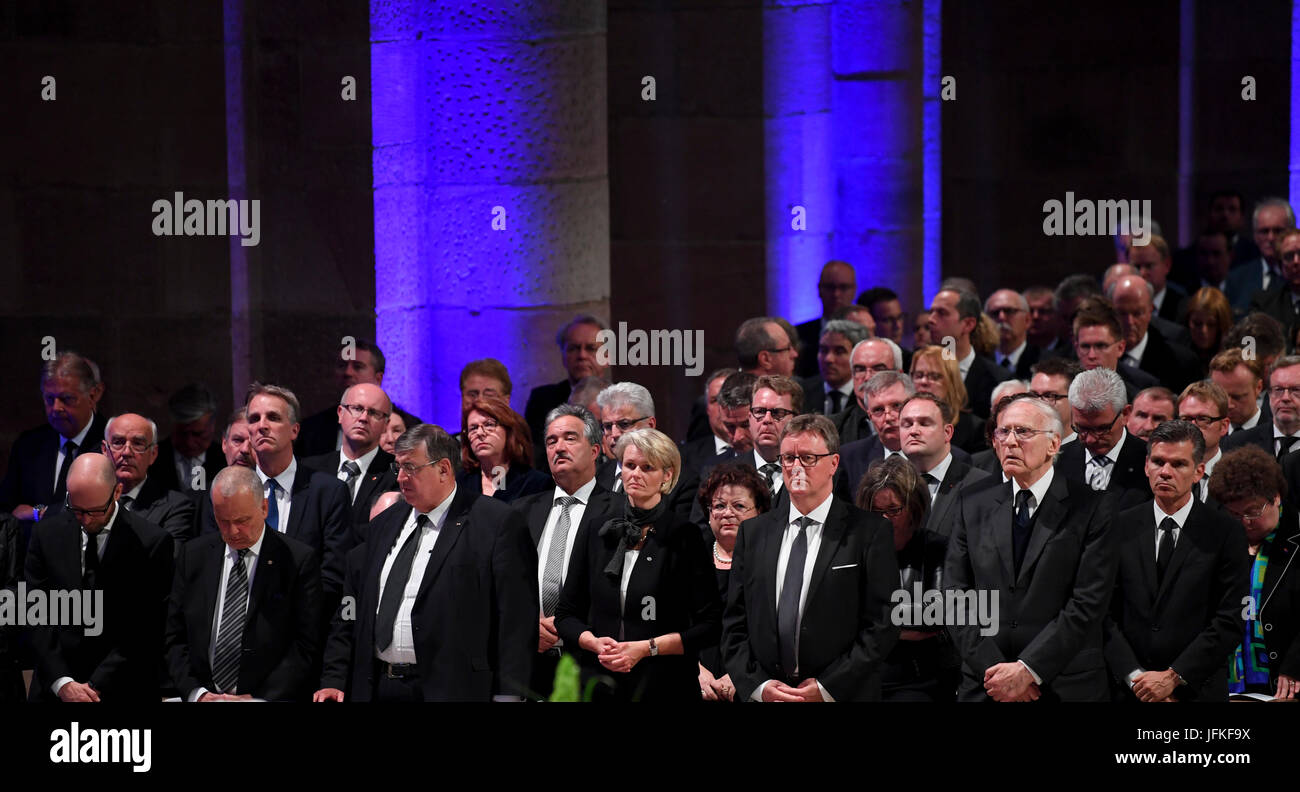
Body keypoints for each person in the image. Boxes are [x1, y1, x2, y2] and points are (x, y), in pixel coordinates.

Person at [316, 424, 537, 701]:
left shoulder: (495, 522)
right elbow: (350, 609)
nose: (401, 479)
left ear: (444, 468)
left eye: (411, 468)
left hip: (454, 689)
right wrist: (334, 678)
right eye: (398, 468)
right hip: (378, 686)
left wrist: (510, 695)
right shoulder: (382, 524)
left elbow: (515, 622)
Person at [945, 397, 1119, 701]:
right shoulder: (971, 502)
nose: (1010, 442)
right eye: (1003, 432)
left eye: (1023, 432)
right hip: (987, 683)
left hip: (1062, 683)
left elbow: (1088, 602)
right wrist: (997, 671)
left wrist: (1028, 670)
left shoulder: (1092, 507)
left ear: (1053, 445)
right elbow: (954, 595)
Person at [722, 414, 899, 701]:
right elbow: (735, 623)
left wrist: (827, 687)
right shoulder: (753, 533)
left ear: (834, 463)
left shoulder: (869, 531)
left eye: (808, 458)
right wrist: (758, 686)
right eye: (788, 458)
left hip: (842, 694)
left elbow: (882, 624)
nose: (796, 467)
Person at [555, 428, 722, 701]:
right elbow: (566, 615)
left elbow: (709, 625)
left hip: (665, 683)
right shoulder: (598, 530)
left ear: (667, 476)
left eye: (647, 467)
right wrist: (594, 643)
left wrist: (647, 648)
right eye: (630, 465)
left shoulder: (684, 536)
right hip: (601, 680)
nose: (636, 474)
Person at [1103, 421, 1248, 702]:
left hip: (1196, 690)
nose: (1165, 472)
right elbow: (1103, 613)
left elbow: (1231, 619)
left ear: (1198, 471)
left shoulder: (1226, 532)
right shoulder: (1119, 526)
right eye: (1158, 462)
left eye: (1178, 464)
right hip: (1128, 690)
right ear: (1146, 466)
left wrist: (1173, 677)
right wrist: (1136, 679)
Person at [166, 465, 322, 701]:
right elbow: (175, 638)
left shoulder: (297, 560)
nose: (233, 531)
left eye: (242, 520)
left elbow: (304, 646)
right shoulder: (194, 555)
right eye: (223, 521)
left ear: (264, 508)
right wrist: (196, 693)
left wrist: (257, 697)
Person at [25, 453, 173, 701]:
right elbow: (34, 611)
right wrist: (63, 682)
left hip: (124, 687)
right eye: (77, 510)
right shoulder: (46, 534)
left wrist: (94, 686)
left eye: (94, 511)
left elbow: (145, 627)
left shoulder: (151, 543)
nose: (84, 520)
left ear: (117, 493)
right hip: (55, 687)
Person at [200, 383, 353, 623]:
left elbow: (332, 577)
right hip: (236, 627)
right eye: (254, 418)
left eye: (273, 417)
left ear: (294, 430)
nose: (262, 425)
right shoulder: (226, 491)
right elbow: (212, 568)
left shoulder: (328, 492)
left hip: (303, 633)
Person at [511, 405, 616, 699]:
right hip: (530, 661)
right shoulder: (520, 511)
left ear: (595, 450)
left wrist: (572, 630)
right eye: (551, 441)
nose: (559, 447)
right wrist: (528, 624)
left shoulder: (619, 512)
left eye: (570, 438)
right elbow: (504, 586)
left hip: (591, 663)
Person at [858, 456, 959, 701]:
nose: (884, 520)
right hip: (862, 674)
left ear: (914, 508)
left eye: (893, 510)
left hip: (920, 678)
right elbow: (838, 613)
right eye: (876, 511)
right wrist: (897, 631)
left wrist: (872, 621)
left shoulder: (937, 547)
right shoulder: (856, 550)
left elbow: (937, 613)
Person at [1208, 446, 1300, 699]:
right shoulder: (1217, 538)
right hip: (1225, 678)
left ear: (1277, 497)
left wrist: (1294, 665)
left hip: (1285, 678)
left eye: (1253, 511)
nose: (1245, 522)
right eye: (1235, 514)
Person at [1, 351, 107, 528]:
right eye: (49, 399)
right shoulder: (29, 444)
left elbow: (98, 510)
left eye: (67, 399)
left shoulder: (112, 444)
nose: (56, 408)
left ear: (93, 395)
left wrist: (38, 513)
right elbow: (9, 506)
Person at [695, 463, 771, 701]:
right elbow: (671, 622)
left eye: (738, 506)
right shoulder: (689, 557)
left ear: (759, 513)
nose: (727, 513)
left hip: (754, 684)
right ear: (708, 514)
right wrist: (695, 670)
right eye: (718, 506)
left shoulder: (773, 560)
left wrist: (740, 676)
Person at [302, 383, 399, 536]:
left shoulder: (396, 473)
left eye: (374, 413)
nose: (363, 418)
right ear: (340, 413)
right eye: (357, 408)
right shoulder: (309, 470)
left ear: (386, 424)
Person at [1056, 367, 1153, 507]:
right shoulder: (1056, 460)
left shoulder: (1151, 462)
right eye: (1082, 428)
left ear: (1125, 414)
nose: (1090, 439)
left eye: (1102, 429)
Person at [899, 393, 990, 536]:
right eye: (907, 424)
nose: (913, 431)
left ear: (947, 432)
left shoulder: (981, 485)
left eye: (924, 423)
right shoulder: (889, 485)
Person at [102, 413, 197, 552]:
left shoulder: (176, 507)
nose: (127, 452)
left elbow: (168, 562)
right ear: (104, 450)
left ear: (153, 454)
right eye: (118, 442)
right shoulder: (88, 498)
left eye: (137, 444)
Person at [524, 315, 610, 451]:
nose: (582, 355)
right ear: (563, 355)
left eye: (591, 348)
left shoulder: (624, 401)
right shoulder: (541, 401)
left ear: (607, 356)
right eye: (573, 348)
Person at [926, 287, 1011, 419]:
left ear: (968, 324)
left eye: (942, 313)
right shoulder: (917, 368)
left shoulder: (998, 379)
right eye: (931, 312)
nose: (930, 319)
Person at [1107, 275, 1200, 393]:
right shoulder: (1096, 357)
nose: (1129, 322)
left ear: (1150, 311)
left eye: (1137, 313)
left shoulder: (1181, 363)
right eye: (1122, 313)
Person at [296, 339, 386, 457]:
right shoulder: (310, 430)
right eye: (342, 366)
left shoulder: (403, 425)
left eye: (358, 367)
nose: (347, 372)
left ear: (378, 378)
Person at [457, 397, 551, 504]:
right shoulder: (459, 483)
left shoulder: (536, 483)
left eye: (489, 424)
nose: (479, 433)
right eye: (473, 428)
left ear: (509, 431)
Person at [149, 383, 225, 495]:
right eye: (182, 434)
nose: (190, 443)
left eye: (198, 434)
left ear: (212, 426)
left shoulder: (224, 461)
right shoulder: (152, 460)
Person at [910, 344, 987, 454]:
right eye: (919, 375)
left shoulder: (974, 428)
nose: (924, 381)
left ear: (951, 382)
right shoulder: (903, 424)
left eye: (934, 376)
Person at [1221, 355, 1300, 460]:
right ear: (1269, 394)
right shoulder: (1237, 444)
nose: (1285, 398)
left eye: (1295, 389)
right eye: (1278, 389)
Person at [831, 338, 902, 445]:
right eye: (860, 369)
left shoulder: (915, 421)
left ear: (898, 375)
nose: (868, 377)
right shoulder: (834, 428)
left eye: (878, 369)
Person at [795, 260, 858, 378]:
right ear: (819, 289)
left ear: (854, 290)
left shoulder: (867, 335)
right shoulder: (798, 335)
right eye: (830, 287)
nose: (836, 294)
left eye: (843, 287)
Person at [1175, 380, 1231, 504]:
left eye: (1203, 419)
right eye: (1186, 419)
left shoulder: (1238, 478)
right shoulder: (1164, 473)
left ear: (1223, 426)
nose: (1193, 426)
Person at [679, 368, 739, 471]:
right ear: (707, 409)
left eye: (728, 398)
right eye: (715, 400)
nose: (722, 407)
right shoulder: (683, 458)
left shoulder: (763, 450)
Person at [1209, 348, 1268, 434]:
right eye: (1220, 396)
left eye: (1237, 397)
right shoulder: (1206, 435)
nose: (1229, 405)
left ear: (1258, 388)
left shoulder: (1277, 434)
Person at [985, 289, 1041, 379]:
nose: (1001, 317)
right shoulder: (978, 363)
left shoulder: (1044, 362)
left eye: (1009, 311)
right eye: (995, 313)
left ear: (1027, 320)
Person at [1184, 287, 1233, 374]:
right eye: (1197, 323)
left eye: (1211, 325)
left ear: (1222, 325)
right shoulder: (1178, 356)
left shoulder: (1234, 362)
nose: (1203, 330)